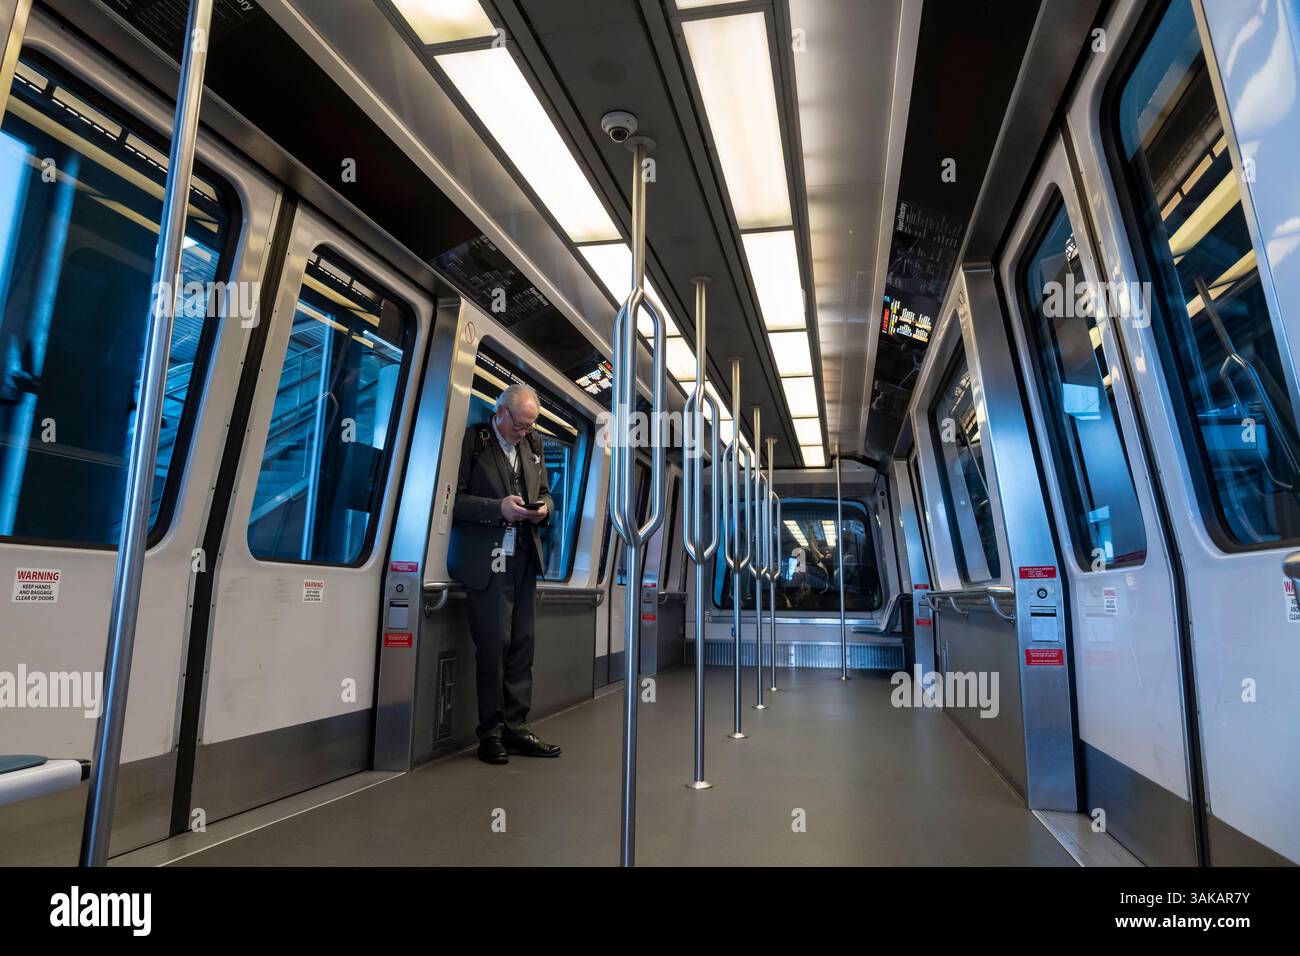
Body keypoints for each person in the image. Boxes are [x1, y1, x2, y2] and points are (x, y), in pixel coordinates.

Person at [447, 384, 562, 765]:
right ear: (501, 413)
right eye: (521, 425)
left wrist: (542, 508)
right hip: (488, 560)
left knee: (521, 646)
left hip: (524, 559)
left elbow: (544, 492)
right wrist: (499, 508)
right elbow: (455, 500)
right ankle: (490, 734)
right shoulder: (474, 442)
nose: (526, 432)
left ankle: (517, 728)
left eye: (531, 426)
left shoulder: (534, 447)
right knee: (494, 646)